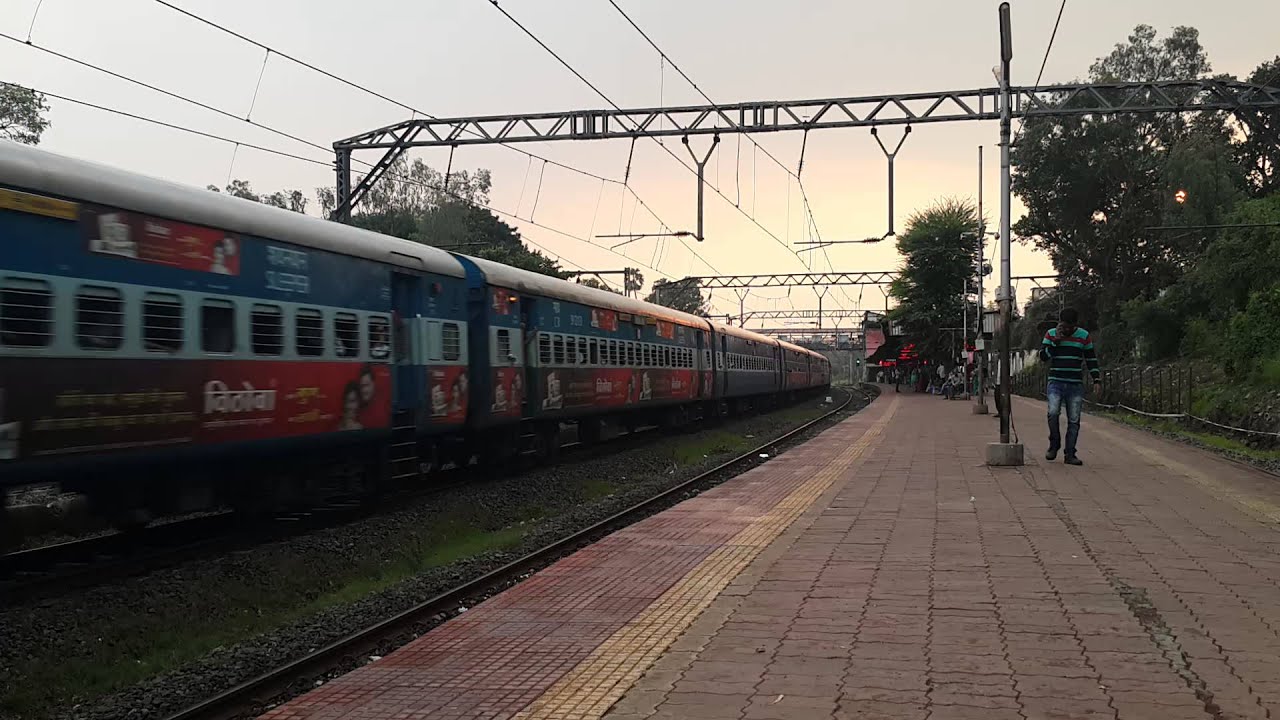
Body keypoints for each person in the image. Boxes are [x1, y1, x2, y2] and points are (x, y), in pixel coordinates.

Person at [1040, 307, 1101, 465]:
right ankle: (1054, 443)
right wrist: (1055, 342)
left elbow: (1090, 359)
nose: (1067, 330)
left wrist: (1097, 379)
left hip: (1075, 384)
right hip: (1056, 381)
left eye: (1070, 327)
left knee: (1074, 420)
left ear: (1075, 325)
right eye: (1064, 326)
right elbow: (1043, 357)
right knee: (1053, 413)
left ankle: (1070, 453)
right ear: (1060, 323)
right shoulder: (1051, 334)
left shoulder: (1084, 336)